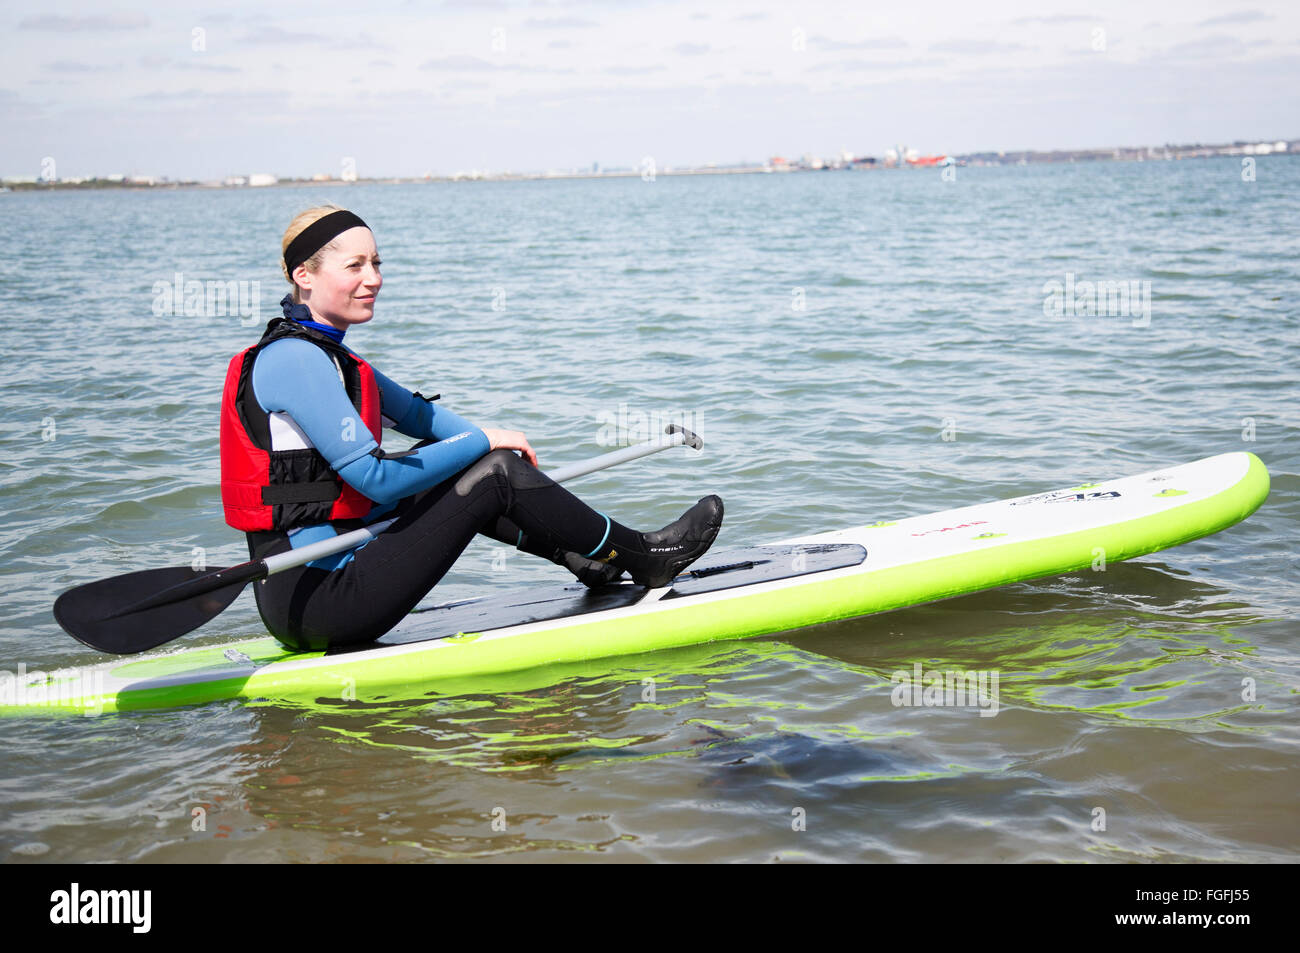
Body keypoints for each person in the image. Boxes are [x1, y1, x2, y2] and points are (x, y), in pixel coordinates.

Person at [220, 205, 723, 652]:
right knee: (493, 471)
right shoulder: (295, 360)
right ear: (303, 275)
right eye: (354, 265)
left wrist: (486, 438)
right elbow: (374, 480)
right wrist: (487, 446)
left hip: (318, 589)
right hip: (322, 598)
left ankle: (587, 560)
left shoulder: (330, 356)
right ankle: (646, 555)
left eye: (377, 263)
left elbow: (420, 417)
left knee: (480, 462)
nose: (372, 278)